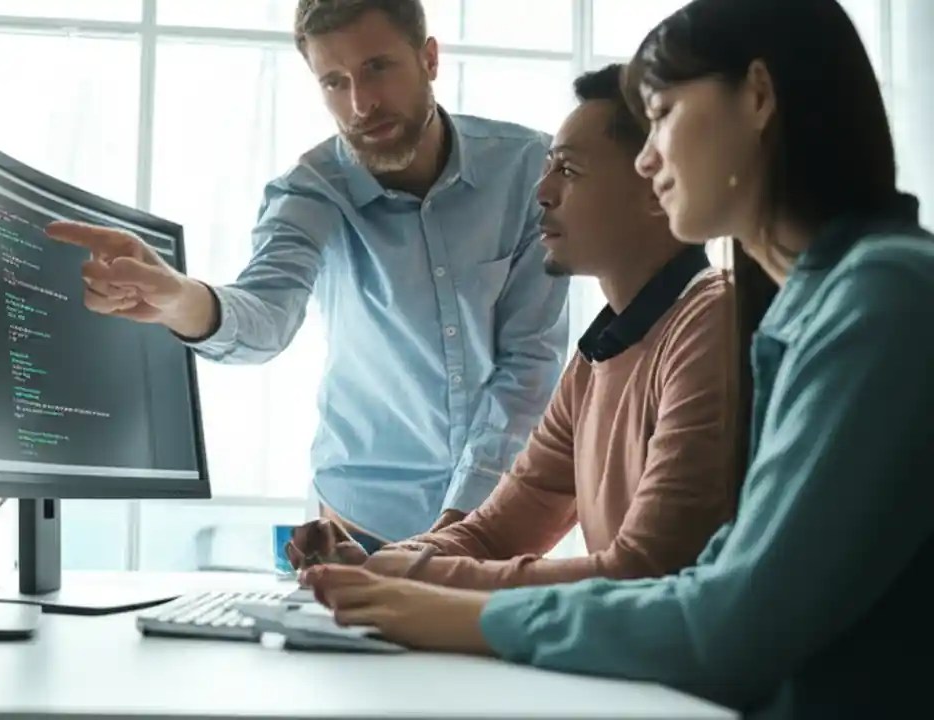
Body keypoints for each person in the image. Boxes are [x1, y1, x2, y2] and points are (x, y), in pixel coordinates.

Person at [301, 0, 934, 716]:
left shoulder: (880, 298)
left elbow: (725, 617)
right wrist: (387, 575)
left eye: (661, 113)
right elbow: (715, 585)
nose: (647, 156)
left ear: (758, 97)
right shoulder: (808, 308)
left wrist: (438, 611)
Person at [45, 0, 569, 545]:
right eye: (334, 82)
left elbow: (530, 360)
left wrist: (467, 516)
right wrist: (180, 298)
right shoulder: (310, 189)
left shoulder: (528, 170)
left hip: (496, 520)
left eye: (377, 68)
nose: (360, 103)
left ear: (429, 58)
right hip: (361, 526)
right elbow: (267, 312)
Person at [287, 63, 766, 590]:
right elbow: (492, 534)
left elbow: (644, 569)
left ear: (656, 182)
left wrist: (395, 572)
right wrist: (370, 564)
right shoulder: (595, 359)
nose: (541, 191)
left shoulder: (710, 327)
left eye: (568, 170)